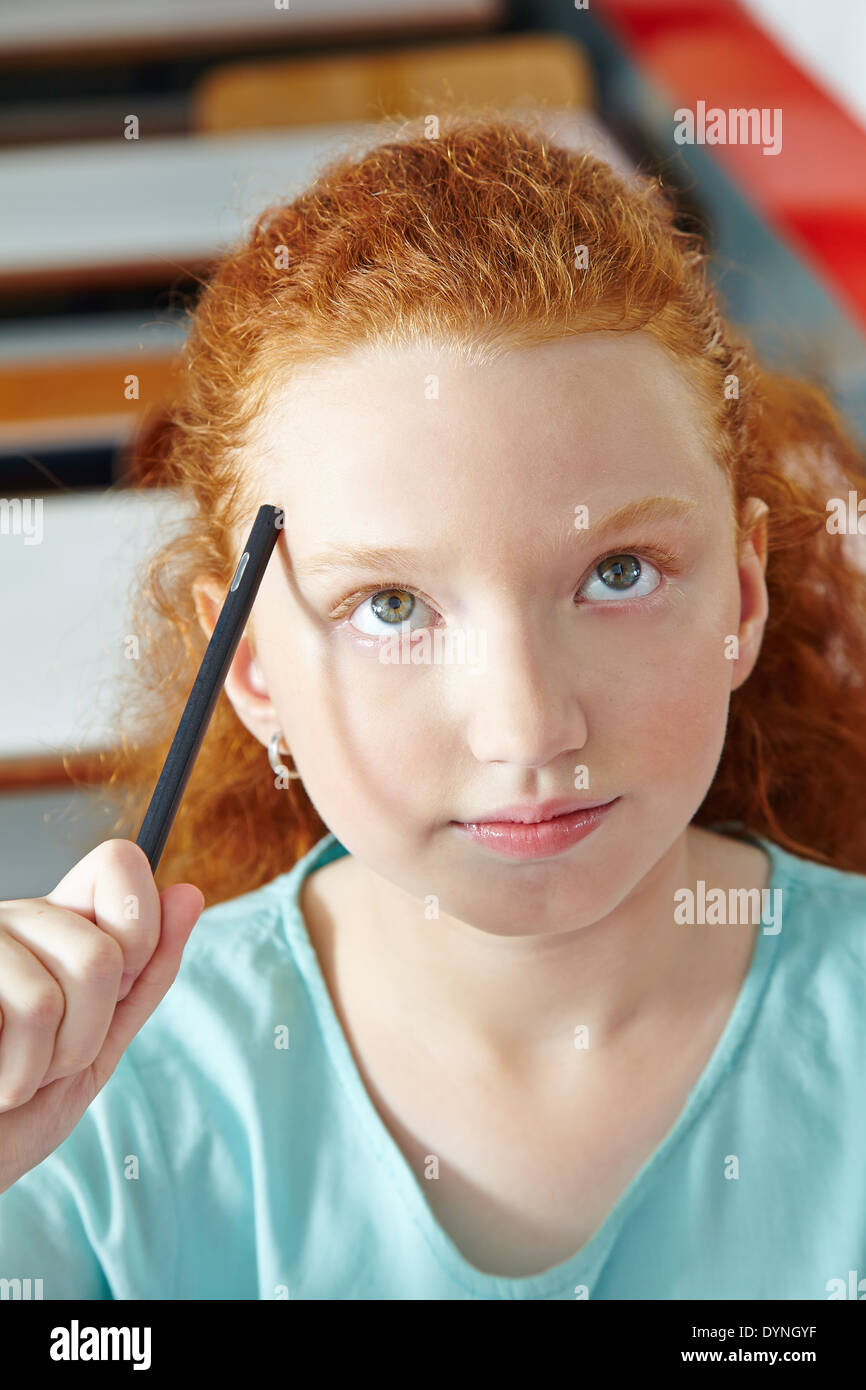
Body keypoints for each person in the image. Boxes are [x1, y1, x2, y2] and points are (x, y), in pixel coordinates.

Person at [1, 114, 865, 1300]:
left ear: (744, 596)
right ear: (252, 669)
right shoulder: (90, 1098)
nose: (526, 728)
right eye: (392, 605)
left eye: (618, 573)